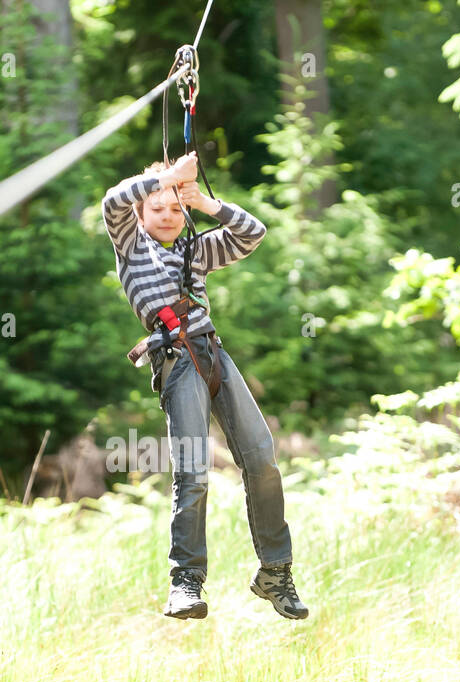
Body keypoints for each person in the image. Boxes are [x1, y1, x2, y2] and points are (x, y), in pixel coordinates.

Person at [102, 152, 308, 622]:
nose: (169, 216)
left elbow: (252, 233)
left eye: (177, 209)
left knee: (262, 458)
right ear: (141, 214)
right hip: (176, 359)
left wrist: (204, 202)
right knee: (192, 471)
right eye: (159, 208)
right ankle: (186, 581)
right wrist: (167, 178)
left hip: (214, 353)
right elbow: (112, 202)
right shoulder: (131, 246)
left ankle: (275, 572)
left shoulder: (195, 249)